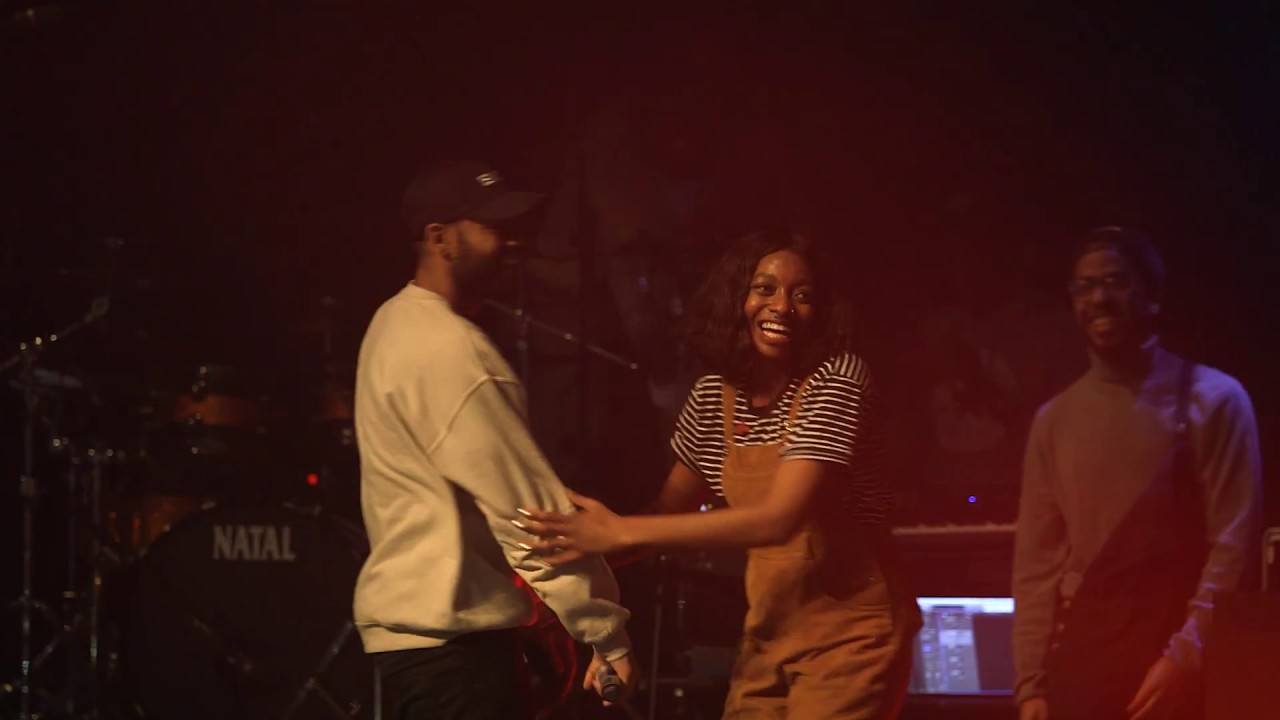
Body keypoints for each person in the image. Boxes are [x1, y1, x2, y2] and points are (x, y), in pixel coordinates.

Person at [517, 230, 921, 719]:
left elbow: (779, 520)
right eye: (765, 288)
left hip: (854, 637)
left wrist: (617, 530)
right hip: (769, 634)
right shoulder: (712, 397)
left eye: (803, 294)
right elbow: (665, 516)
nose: (782, 306)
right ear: (736, 299)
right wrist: (556, 562)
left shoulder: (838, 378)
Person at [352, 161, 635, 720]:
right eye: (490, 227)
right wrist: (606, 635)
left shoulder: (392, 324)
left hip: (423, 645)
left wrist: (537, 616)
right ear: (439, 239)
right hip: (456, 655)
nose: (512, 241)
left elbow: (471, 512)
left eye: (512, 227)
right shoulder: (451, 349)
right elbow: (531, 515)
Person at [1011, 227, 1262, 720]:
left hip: (1180, 666)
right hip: (1087, 663)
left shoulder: (1214, 399)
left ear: (1152, 295)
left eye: (1116, 281)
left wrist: (1185, 659)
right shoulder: (1054, 421)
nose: (1100, 298)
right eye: (1084, 287)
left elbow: (1234, 546)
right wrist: (1031, 686)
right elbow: (1036, 567)